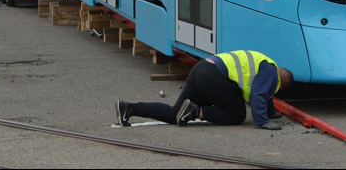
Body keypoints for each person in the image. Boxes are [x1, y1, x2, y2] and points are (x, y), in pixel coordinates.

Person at [116, 50, 293, 130]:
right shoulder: (271, 72)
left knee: (174, 114)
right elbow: (259, 94)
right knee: (238, 115)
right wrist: (263, 122)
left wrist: (273, 113)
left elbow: (266, 96)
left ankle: (129, 108)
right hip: (214, 76)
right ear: (281, 84)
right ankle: (196, 112)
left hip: (201, 69)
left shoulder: (265, 65)